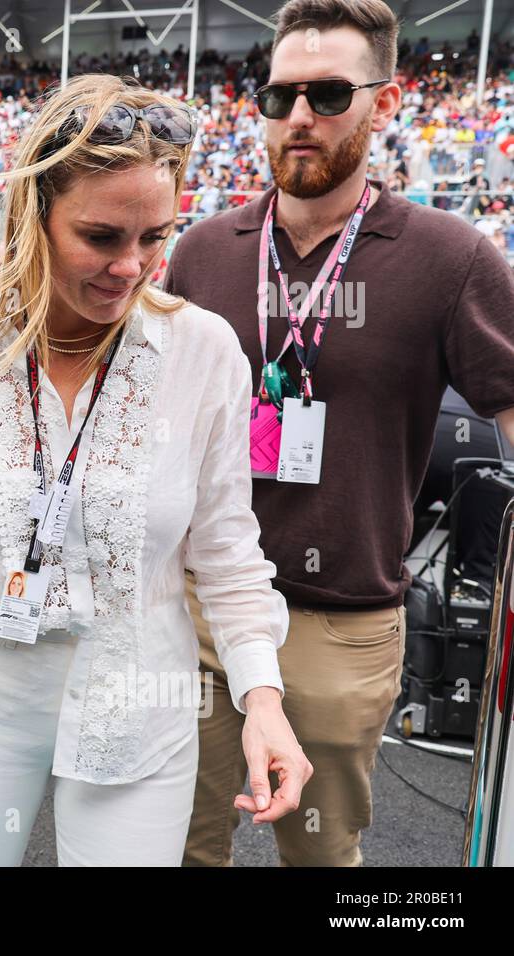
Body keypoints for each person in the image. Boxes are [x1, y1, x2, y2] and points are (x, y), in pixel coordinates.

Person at [0, 73, 308, 866]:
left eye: (156, 237)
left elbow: (226, 551)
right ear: (34, 215)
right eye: (102, 237)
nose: (133, 266)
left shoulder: (206, 354)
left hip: (140, 700)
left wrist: (263, 699)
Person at [164, 0, 514, 867]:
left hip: (341, 623)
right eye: (277, 95)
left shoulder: (450, 257)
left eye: (328, 94)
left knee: (317, 859)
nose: (298, 118)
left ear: (385, 103)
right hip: (196, 609)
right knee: (179, 847)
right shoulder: (204, 251)